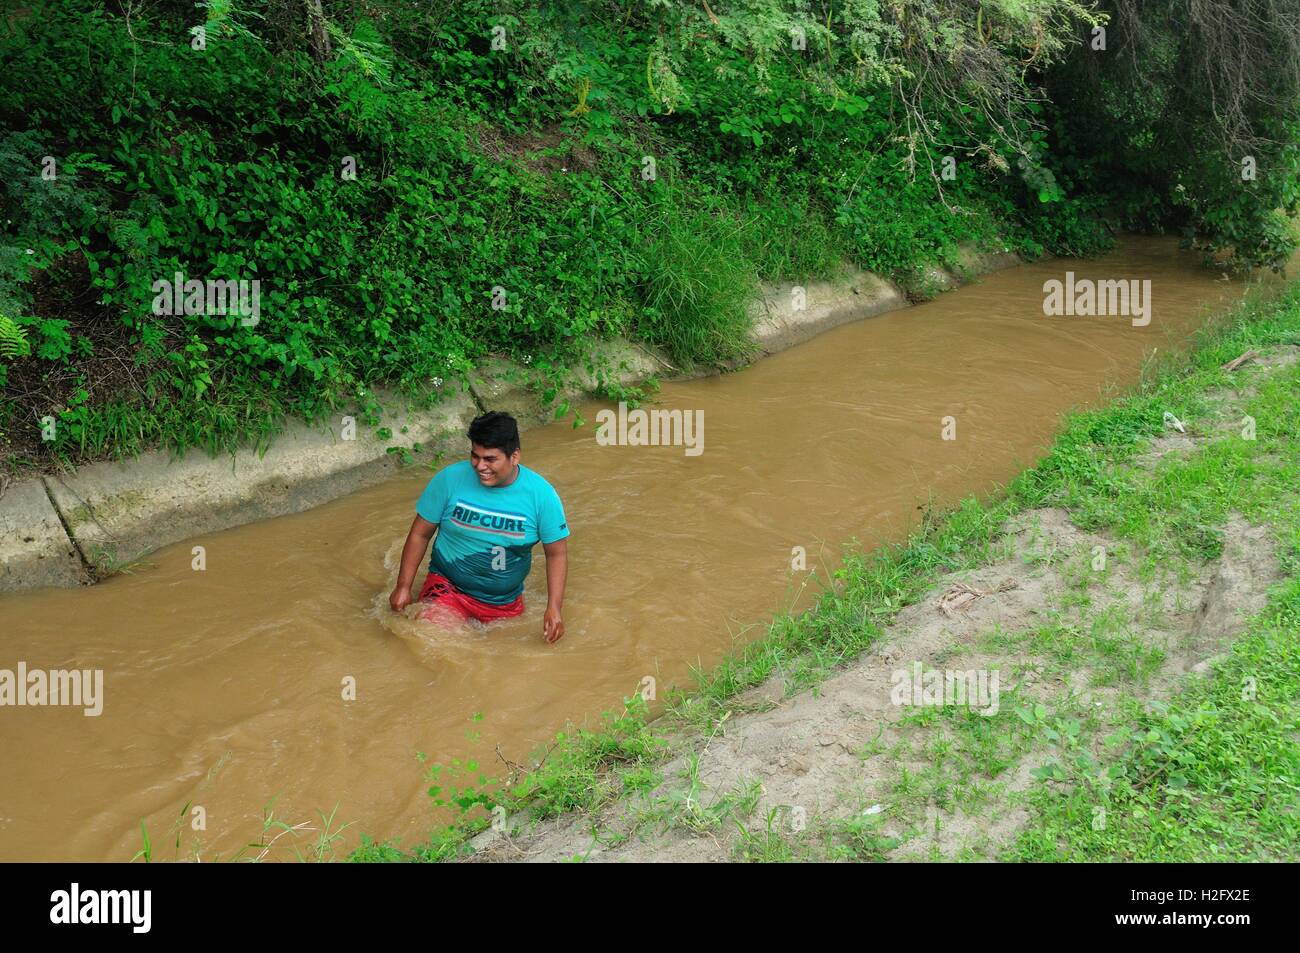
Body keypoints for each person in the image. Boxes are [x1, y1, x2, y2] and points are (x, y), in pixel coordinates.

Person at [389, 411, 569, 643]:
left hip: (505, 604)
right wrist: (403, 586)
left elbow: (556, 553)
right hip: (448, 588)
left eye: (490, 459)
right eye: (475, 456)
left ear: (514, 456)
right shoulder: (449, 480)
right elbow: (420, 534)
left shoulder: (542, 496)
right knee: (432, 639)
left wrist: (554, 608)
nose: (480, 466)